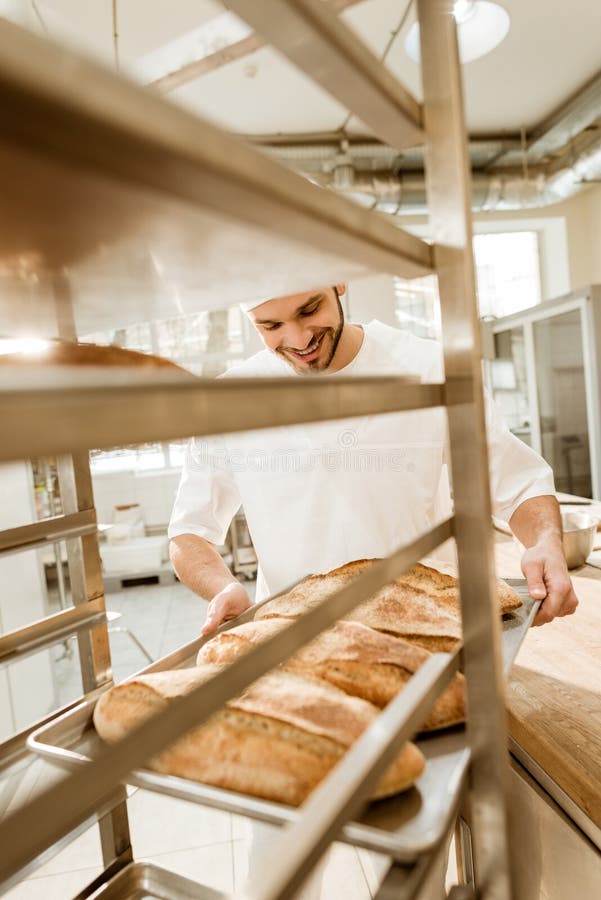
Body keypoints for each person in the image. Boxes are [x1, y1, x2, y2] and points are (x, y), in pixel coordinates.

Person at [169, 282, 578, 636]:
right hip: (293, 639)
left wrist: (545, 542)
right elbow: (190, 531)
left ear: (339, 281)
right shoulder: (228, 400)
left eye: (309, 310)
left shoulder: (431, 368)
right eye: (270, 326)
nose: (297, 339)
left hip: (429, 628)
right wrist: (222, 587)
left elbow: (515, 479)